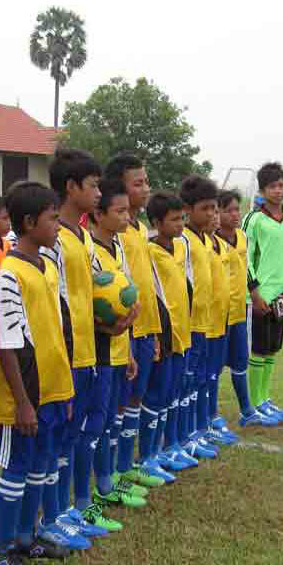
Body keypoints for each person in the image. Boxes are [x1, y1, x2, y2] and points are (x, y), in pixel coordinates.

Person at [0, 181, 85, 565]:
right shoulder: (10, 274)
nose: (58, 226)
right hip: (25, 396)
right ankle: (4, 549)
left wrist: (65, 388)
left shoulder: (46, 264)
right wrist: (23, 402)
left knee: (42, 466)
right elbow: (6, 345)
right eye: (52, 219)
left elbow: (55, 332)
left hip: (53, 388)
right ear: (29, 223)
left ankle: (28, 538)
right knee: (17, 469)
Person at [44, 149, 124, 536]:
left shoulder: (84, 238)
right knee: (61, 438)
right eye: (92, 185)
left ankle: (76, 506)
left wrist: (113, 320)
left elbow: (94, 290)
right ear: (71, 187)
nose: (98, 193)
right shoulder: (53, 239)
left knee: (81, 432)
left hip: (91, 351)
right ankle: (55, 515)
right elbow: (53, 300)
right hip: (66, 354)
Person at [104, 154, 168, 490]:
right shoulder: (113, 233)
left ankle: (127, 466)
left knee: (135, 401)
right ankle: (110, 473)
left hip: (146, 330)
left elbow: (147, 283)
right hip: (125, 332)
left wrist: (154, 330)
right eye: (138, 183)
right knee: (118, 404)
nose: (146, 188)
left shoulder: (141, 230)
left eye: (147, 182)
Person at [88, 178, 147, 509]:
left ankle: (109, 480)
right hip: (99, 349)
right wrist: (107, 326)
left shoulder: (119, 245)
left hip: (120, 346)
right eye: (119, 211)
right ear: (99, 214)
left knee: (113, 419)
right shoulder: (90, 251)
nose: (127, 217)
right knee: (98, 423)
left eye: (128, 211)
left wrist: (129, 350)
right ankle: (99, 486)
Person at [217, 190, 277, 428]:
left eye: (236, 209)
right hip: (217, 314)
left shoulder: (242, 237)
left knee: (241, 360)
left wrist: (253, 292)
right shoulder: (212, 241)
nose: (235, 214)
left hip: (240, 310)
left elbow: (247, 268)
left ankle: (247, 411)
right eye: (228, 210)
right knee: (214, 367)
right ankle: (210, 416)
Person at [242, 162, 283, 422]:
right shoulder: (254, 219)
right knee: (259, 350)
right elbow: (243, 257)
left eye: (282, 185)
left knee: (273, 349)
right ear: (263, 190)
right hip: (260, 296)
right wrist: (254, 293)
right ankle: (255, 403)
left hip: (281, 295)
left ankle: (265, 399)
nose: (278, 190)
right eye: (273, 186)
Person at [145, 191, 194, 472]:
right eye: (174, 219)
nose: (180, 224)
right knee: (157, 394)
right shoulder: (150, 251)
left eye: (182, 218)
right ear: (156, 222)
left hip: (183, 333)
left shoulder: (180, 247)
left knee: (173, 392)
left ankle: (167, 447)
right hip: (165, 335)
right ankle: (149, 454)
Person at [179, 175, 220, 460]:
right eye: (204, 208)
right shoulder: (183, 240)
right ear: (188, 209)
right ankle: (182, 438)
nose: (211, 214)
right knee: (185, 384)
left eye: (213, 208)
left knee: (198, 381)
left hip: (205, 322)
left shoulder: (204, 238)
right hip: (188, 326)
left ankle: (194, 431)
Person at [203, 213, 233, 447]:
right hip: (204, 324)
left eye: (215, 210)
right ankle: (202, 421)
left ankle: (211, 415)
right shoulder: (193, 243)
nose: (214, 216)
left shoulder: (221, 244)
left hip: (221, 320)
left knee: (214, 372)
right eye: (209, 210)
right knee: (202, 376)